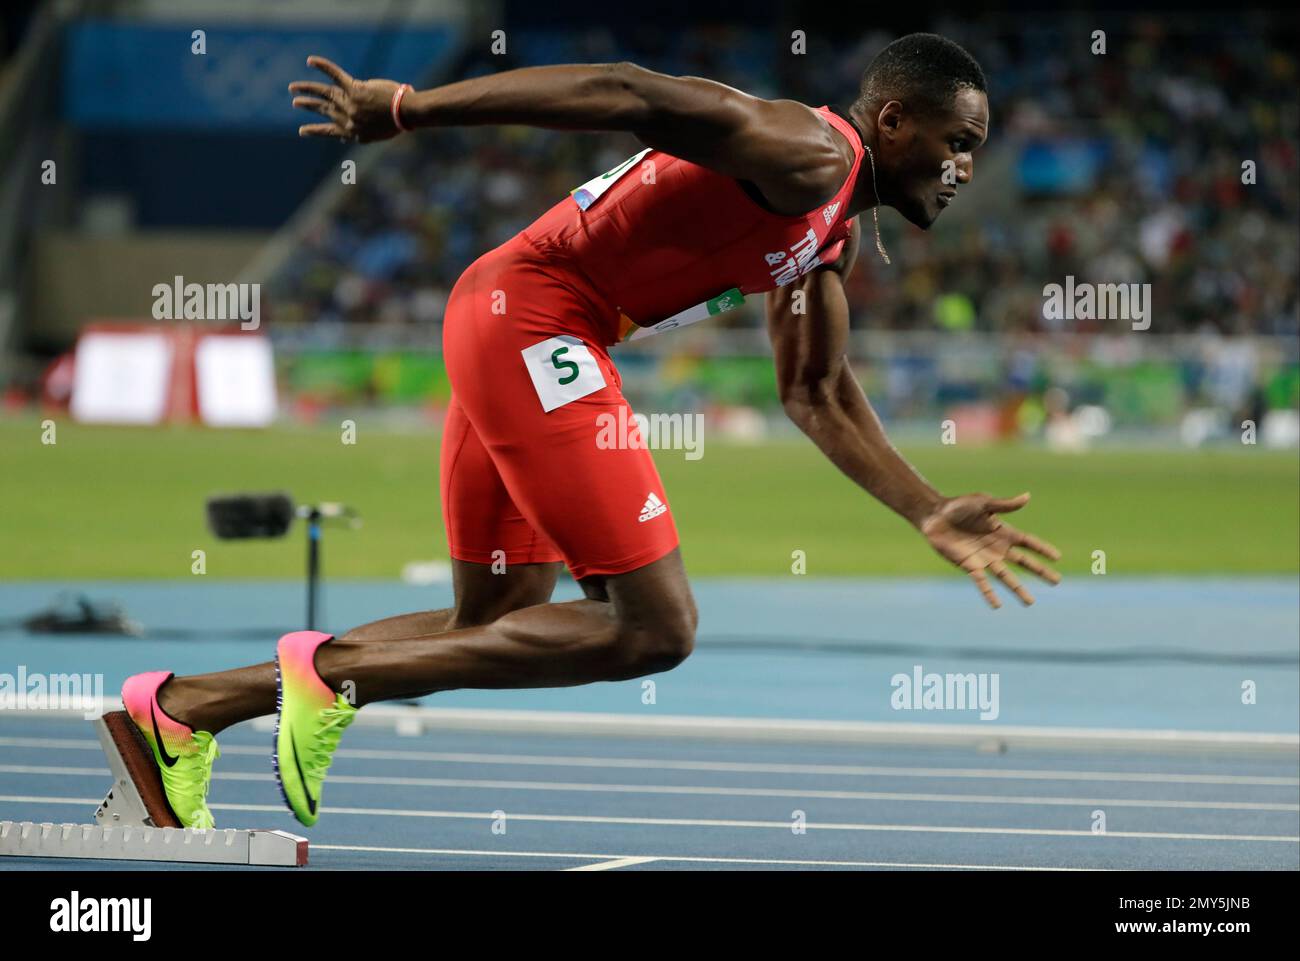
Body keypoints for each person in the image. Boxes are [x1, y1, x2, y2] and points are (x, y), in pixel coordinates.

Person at [121, 33, 1062, 830]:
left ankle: (183, 709)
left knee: (491, 622)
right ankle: (329, 676)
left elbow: (816, 391)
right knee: (654, 629)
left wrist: (929, 509)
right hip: (536, 319)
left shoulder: (829, 232)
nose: (966, 167)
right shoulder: (806, 151)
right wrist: (408, 108)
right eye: (959, 141)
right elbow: (626, 90)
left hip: (512, 321)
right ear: (894, 120)